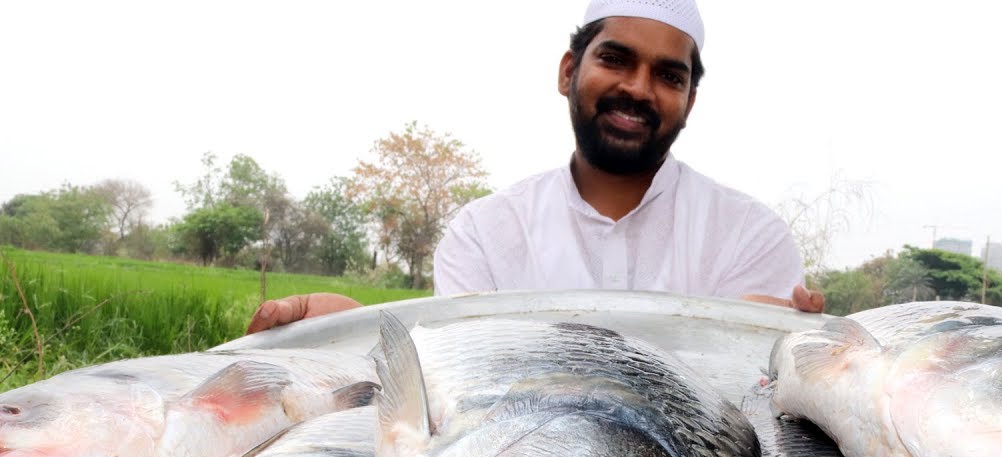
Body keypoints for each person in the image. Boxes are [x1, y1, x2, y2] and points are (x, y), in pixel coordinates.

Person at [246, 0, 822, 335]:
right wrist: (354, 334)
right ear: (569, 71)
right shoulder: (485, 236)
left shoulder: (749, 238)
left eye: (668, 75)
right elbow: (458, 385)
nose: (637, 88)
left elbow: (746, 413)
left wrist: (786, 359)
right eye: (616, 59)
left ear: (690, 102)